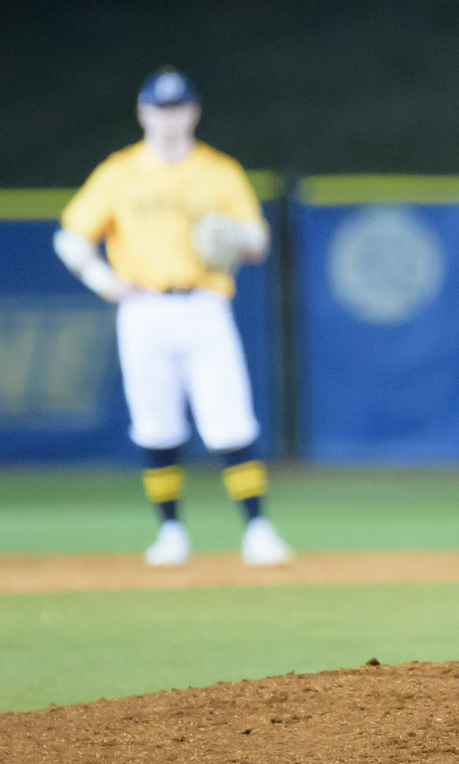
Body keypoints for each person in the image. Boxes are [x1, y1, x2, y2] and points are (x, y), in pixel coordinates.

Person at [53, 67, 292, 567]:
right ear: (143, 112)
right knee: (156, 424)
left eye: (177, 107)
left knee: (230, 419)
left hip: (205, 304)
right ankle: (171, 533)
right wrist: (105, 283)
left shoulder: (219, 171)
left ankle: (257, 529)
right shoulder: (119, 171)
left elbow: (259, 240)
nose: (169, 117)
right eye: (159, 108)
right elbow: (70, 237)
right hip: (144, 309)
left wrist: (235, 236)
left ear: (193, 112)